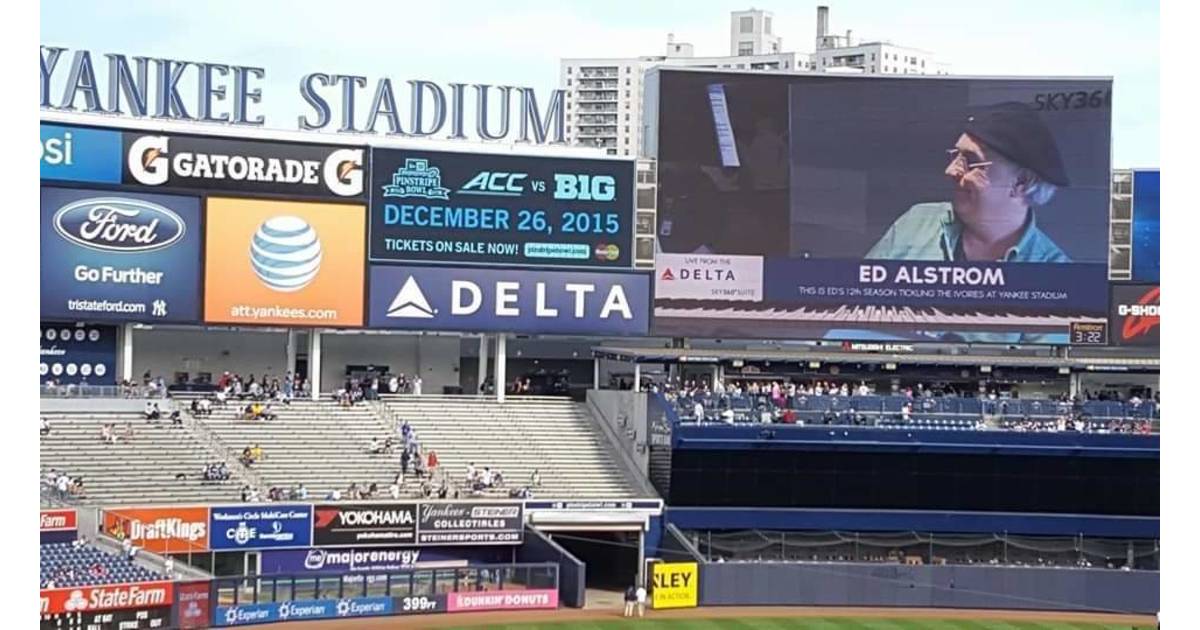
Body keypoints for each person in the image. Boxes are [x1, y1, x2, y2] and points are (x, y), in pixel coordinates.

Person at [866, 102, 1071, 263]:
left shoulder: (1057, 274)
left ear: (1022, 182)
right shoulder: (916, 223)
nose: (950, 171)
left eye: (971, 161)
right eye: (955, 156)